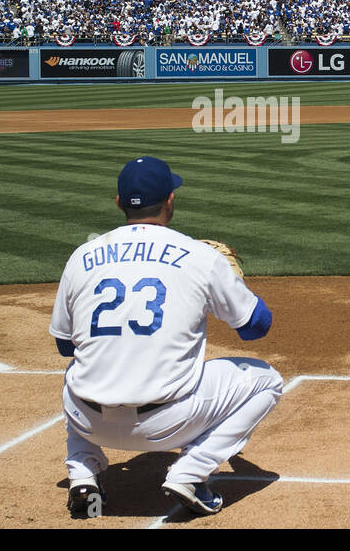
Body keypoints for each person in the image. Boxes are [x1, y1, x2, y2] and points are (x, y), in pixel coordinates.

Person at [49, 157, 282, 519]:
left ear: (118, 202)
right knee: (267, 379)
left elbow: (65, 346)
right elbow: (255, 328)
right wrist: (233, 282)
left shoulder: (81, 256)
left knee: (77, 372)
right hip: (168, 424)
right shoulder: (200, 256)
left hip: (89, 419)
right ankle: (189, 473)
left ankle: (83, 475)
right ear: (170, 200)